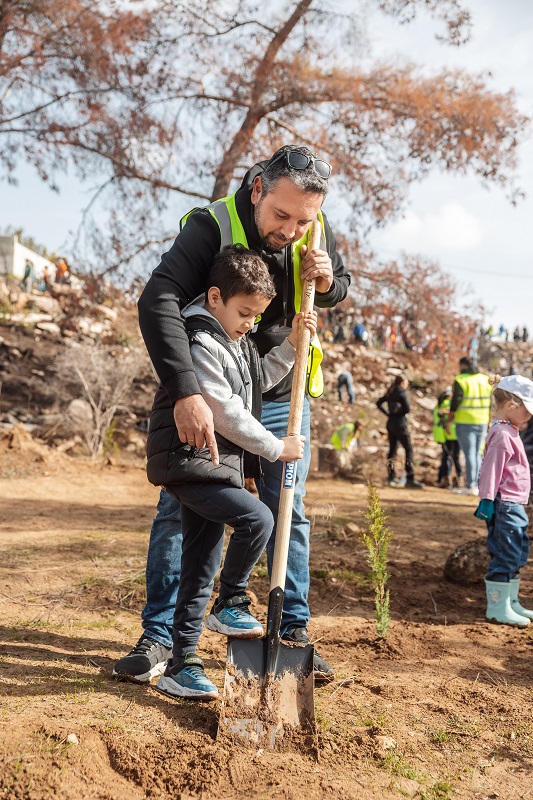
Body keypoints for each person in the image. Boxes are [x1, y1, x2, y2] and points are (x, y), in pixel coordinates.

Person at [113, 144, 350, 685]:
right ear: (258, 189)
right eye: (280, 216)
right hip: (215, 388)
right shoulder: (211, 225)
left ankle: (290, 632)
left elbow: (339, 287)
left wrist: (328, 281)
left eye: (303, 220)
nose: (290, 229)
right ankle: (161, 638)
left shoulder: (313, 224)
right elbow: (159, 299)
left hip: (282, 391)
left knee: (289, 507)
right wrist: (185, 390)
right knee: (184, 508)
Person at [146, 246, 316, 699]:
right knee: (259, 518)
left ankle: (182, 663)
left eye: (257, 318)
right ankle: (232, 599)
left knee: (200, 564)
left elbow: (256, 381)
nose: (249, 324)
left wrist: (293, 347)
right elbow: (225, 411)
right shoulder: (200, 339)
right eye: (244, 313)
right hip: (190, 461)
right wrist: (278, 448)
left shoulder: (232, 339)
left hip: (214, 467)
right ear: (216, 296)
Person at [474, 375, 533, 626]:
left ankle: (510, 601)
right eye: (527, 410)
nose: (530, 415)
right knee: (505, 552)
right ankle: (497, 607)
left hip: (515, 503)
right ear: (511, 405)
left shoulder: (511, 431)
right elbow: (491, 468)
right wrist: (487, 498)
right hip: (505, 503)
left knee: (518, 551)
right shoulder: (501, 433)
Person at [446, 357, 492, 495]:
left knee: (470, 453)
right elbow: (489, 402)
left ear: (463, 365)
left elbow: (456, 401)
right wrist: (489, 420)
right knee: (478, 453)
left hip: (466, 421)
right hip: (482, 420)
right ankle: (477, 484)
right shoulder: (485, 380)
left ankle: (471, 485)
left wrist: (449, 420)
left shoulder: (461, 380)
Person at [376, 374, 422, 489]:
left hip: (390, 423)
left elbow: (378, 403)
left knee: (392, 450)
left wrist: (389, 413)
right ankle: (410, 478)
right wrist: (399, 413)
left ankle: (391, 477)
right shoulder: (401, 392)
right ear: (402, 382)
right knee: (409, 449)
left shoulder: (390, 391)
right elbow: (407, 409)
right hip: (400, 424)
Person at [433, 387, 462, 488]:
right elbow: (444, 412)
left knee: (447, 457)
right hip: (453, 433)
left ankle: (447, 478)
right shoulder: (448, 403)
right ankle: (457, 478)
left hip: (448, 434)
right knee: (453, 457)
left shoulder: (442, 404)